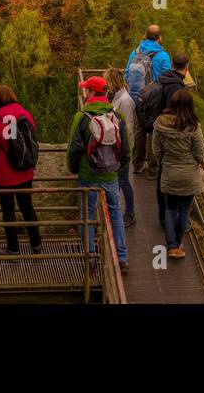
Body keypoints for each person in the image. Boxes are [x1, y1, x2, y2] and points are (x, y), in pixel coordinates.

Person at [67, 75, 129, 273]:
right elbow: (126, 148)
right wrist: (119, 168)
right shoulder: (117, 115)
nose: (85, 92)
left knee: (88, 214)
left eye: (86, 89)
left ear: (92, 93)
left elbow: (74, 149)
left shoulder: (81, 117)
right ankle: (121, 257)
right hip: (111, 174)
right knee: (115, 212)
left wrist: (74, 169)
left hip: (89, 174)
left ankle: (91, 258)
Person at [0, 85, 42, 255]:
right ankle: (36, 244)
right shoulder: (25, 114)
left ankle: (13, 248)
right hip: (25, 170)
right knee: (27, 207)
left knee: (8, 211)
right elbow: (32, 134)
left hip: (4, 175)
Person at [150, 88, 204, 259]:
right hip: (189, 175)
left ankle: (171, 245)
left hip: (169, 172)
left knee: (170, 208)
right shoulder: (193, 126)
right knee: (184, 210)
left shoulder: (160, 123)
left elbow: (156, 150)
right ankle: (178, 245)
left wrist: (165, 161)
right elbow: (200, 153)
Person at [136, 52, 193, 218]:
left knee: (163, 177)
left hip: (157, 126)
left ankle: (164, 214)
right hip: (167, 134)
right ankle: (168, 216)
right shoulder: (176, 87)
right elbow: (175, 114)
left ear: (172, 65)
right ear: (186, 67)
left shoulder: (164, 78)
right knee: (165, 177)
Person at [125, 25, 171, 174]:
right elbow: (167, 79)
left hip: (137, 97)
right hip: (155, 99)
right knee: (153, 131)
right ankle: (152, 168)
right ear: (159, 38)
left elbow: (127, 75)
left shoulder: (135, 52)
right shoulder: (163, 56)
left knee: (139, 129)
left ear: (145, 35)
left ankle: (137, 165)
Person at [105, 66, 136, 227]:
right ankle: (114, 211)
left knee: (123, 180)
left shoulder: (125, 101)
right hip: (112, 145)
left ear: (113, 82)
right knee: (116, 180)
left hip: (121, 147)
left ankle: (130, 213)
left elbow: (128, 128)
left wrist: (125, 152)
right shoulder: (110, 96)